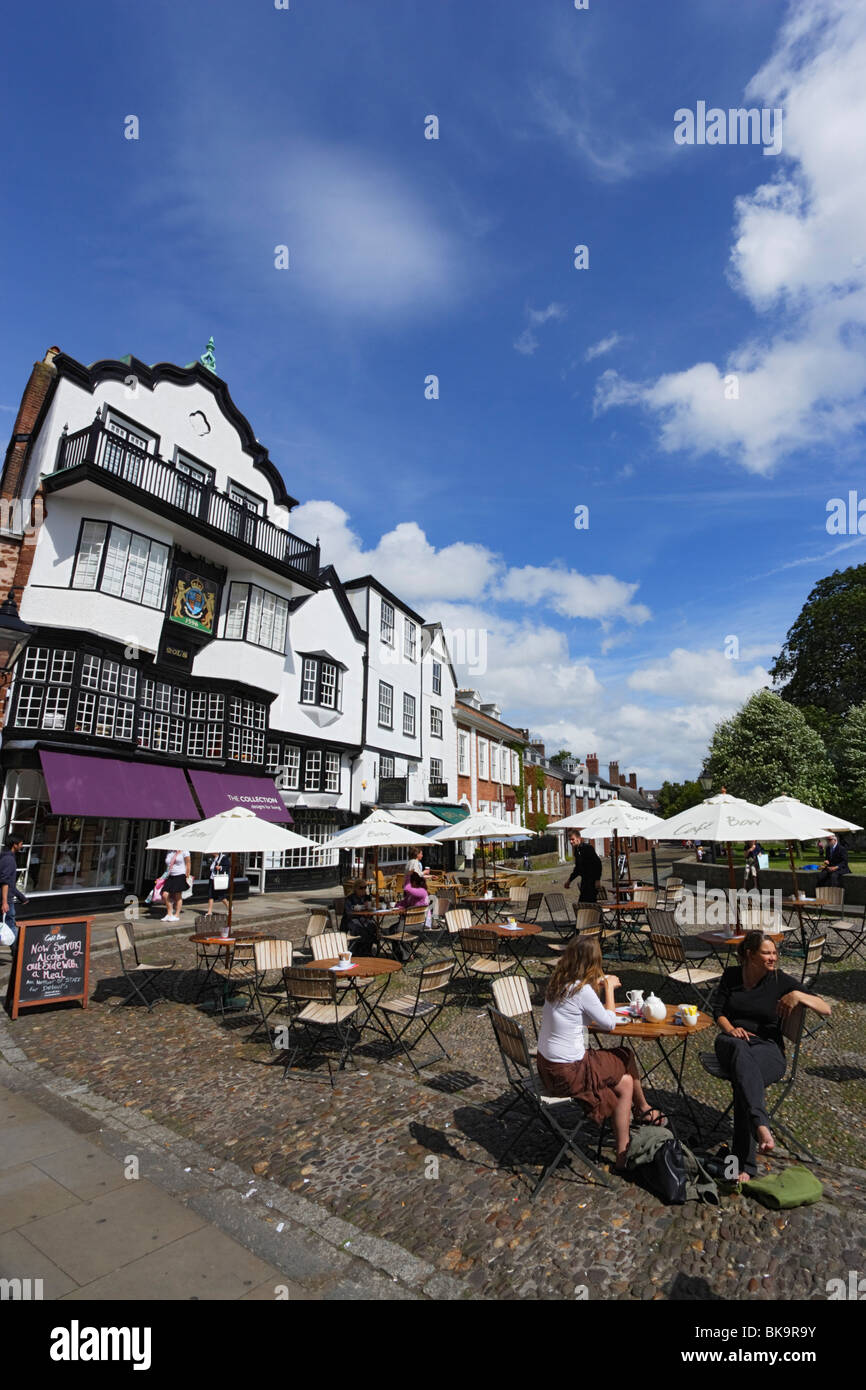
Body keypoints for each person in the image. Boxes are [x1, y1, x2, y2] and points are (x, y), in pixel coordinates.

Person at [537, 935, 666, 1170]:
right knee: (625, 1058)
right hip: (568, 1073)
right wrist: (608, 989)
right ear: (593, 962)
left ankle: (636, 1121)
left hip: (547, 1068)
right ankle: (633, 1130)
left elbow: (583, 1017)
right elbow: (608, 1024)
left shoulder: (557, 984)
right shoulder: (581, 990)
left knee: (625, 1079)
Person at [713, 931, 831, 1181]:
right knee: (740, 1054)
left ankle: (746, 1154)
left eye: (775, 953)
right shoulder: (732, 975)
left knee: (743, 1080)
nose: (773, 957)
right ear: (749, 954)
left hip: (767, 1049)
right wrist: (731, 1029)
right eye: (766, 952)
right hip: (731, 1042)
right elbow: (718, 1012)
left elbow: (826, 1008)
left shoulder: (779, 980)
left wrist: (798, 995)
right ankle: (757, 1134)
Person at [1, 835, 28, 1012]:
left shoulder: (4, 857)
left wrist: (21, 897)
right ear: (15, 845)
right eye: (21, 843)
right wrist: (5, 901)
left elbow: (10, 883)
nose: (22, 846)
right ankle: (19, 952)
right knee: (10, 926)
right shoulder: (9, 860)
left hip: (10, 898)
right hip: (6, 901)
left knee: (10, 925)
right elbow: (5, 882)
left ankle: (17, 950)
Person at [564, 831, 602, 903]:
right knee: (584, 904)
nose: (571, 842)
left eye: (572, 839)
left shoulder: (587, 848)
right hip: (585, 881)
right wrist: (569, 880)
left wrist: (597, 879)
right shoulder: (577, 850)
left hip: (592, 881)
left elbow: (598, 863)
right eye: (570, 840)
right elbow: (577, 869)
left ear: (578, 839)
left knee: (587, 905)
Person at [341, 880, 376, 953]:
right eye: (361, 887)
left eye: (365, 887)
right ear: (356, 888)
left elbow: (371, 913)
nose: (363, 889)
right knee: (361, 929)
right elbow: (348, 913)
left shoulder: (367, 897)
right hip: (350, 920)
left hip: (364, 919)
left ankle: (367, 950)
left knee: (372, 927)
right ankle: (357, 951)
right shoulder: (350, 898)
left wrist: (370, 908)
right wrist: (359, 908)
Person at [161, 846, 191, 922]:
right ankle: (169, 913)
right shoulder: (170, 851)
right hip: (170, 875)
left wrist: (187, 876)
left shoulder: (185, 851)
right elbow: (168, 865)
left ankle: (177, 915)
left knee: (178, 895)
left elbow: (188, 864)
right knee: (164, 894)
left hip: (180, 875)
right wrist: (163, 876)